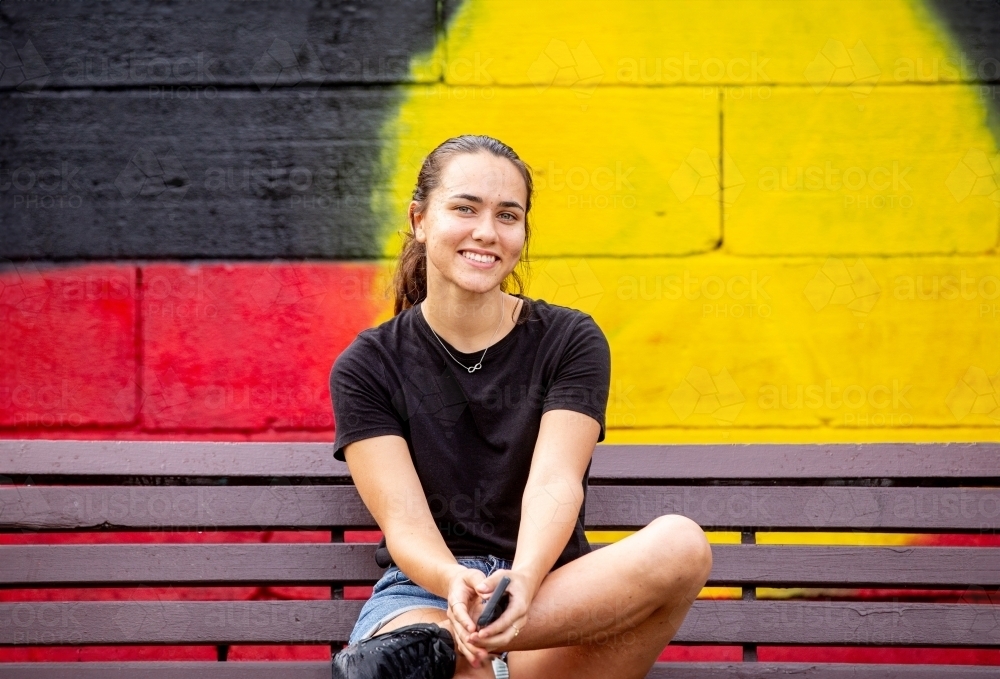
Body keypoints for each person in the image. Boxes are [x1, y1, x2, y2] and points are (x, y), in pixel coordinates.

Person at [329, 134, 712, 679]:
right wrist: (451, 581)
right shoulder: (367, 365)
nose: (487, 232)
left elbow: (555, 480)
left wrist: (524, 583)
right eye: (465, 208)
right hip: (424, 593)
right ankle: (439, 647)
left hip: (552, 594)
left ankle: (451, 645)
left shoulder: (568, 339)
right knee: (449, 659)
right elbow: (404, 521)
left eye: (508, 215)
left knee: (682, 544)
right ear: (419, 220)